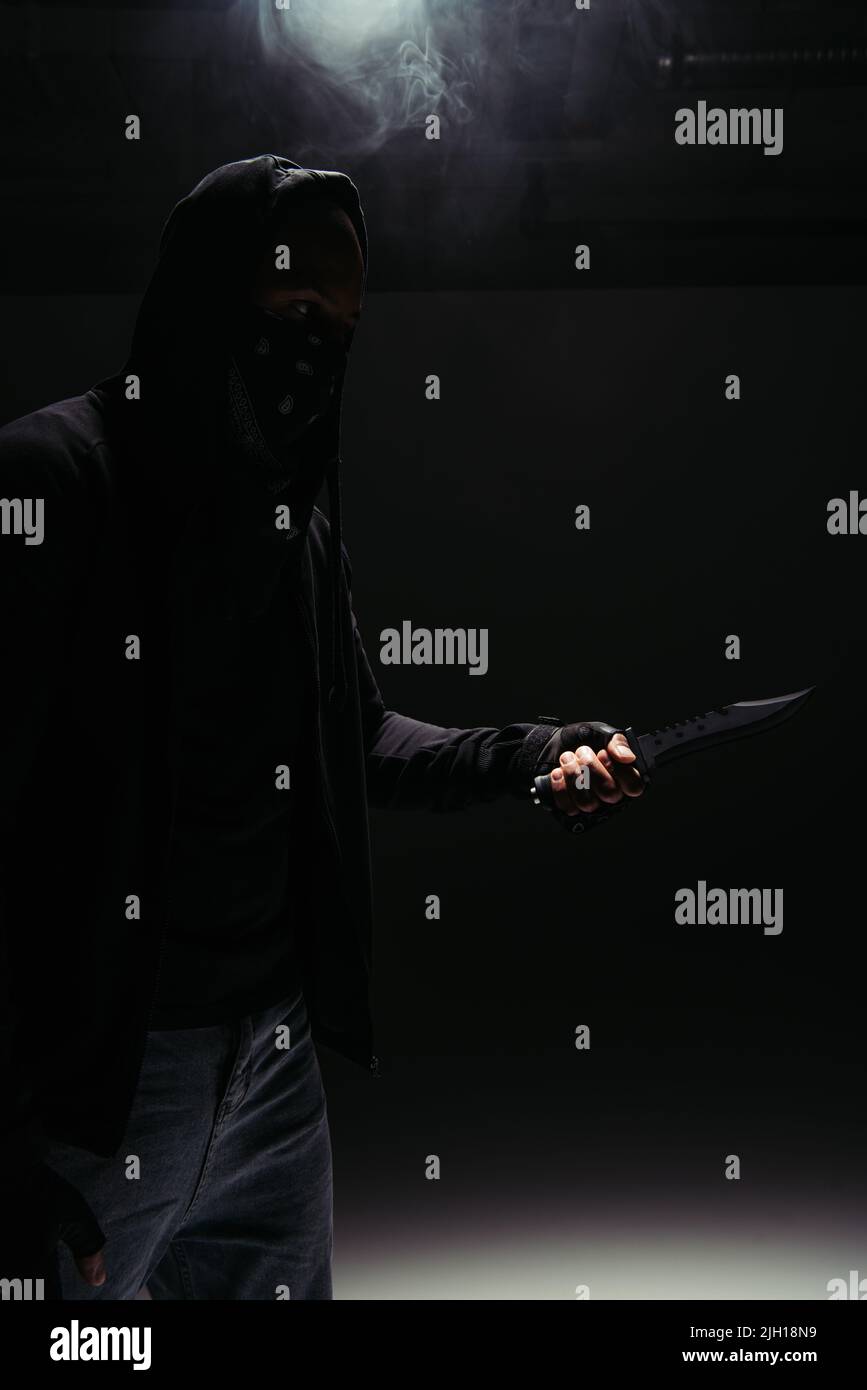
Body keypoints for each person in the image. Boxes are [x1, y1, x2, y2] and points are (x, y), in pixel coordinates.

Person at [0, 154, 643, 1301]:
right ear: (210, 298)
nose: (319, 349)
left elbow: (365, 739)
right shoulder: (52, 484)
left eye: (343, 325)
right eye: (297, 309)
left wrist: (538, 751)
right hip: (100, 1093)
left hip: (275, 1074)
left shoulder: (290, 534)